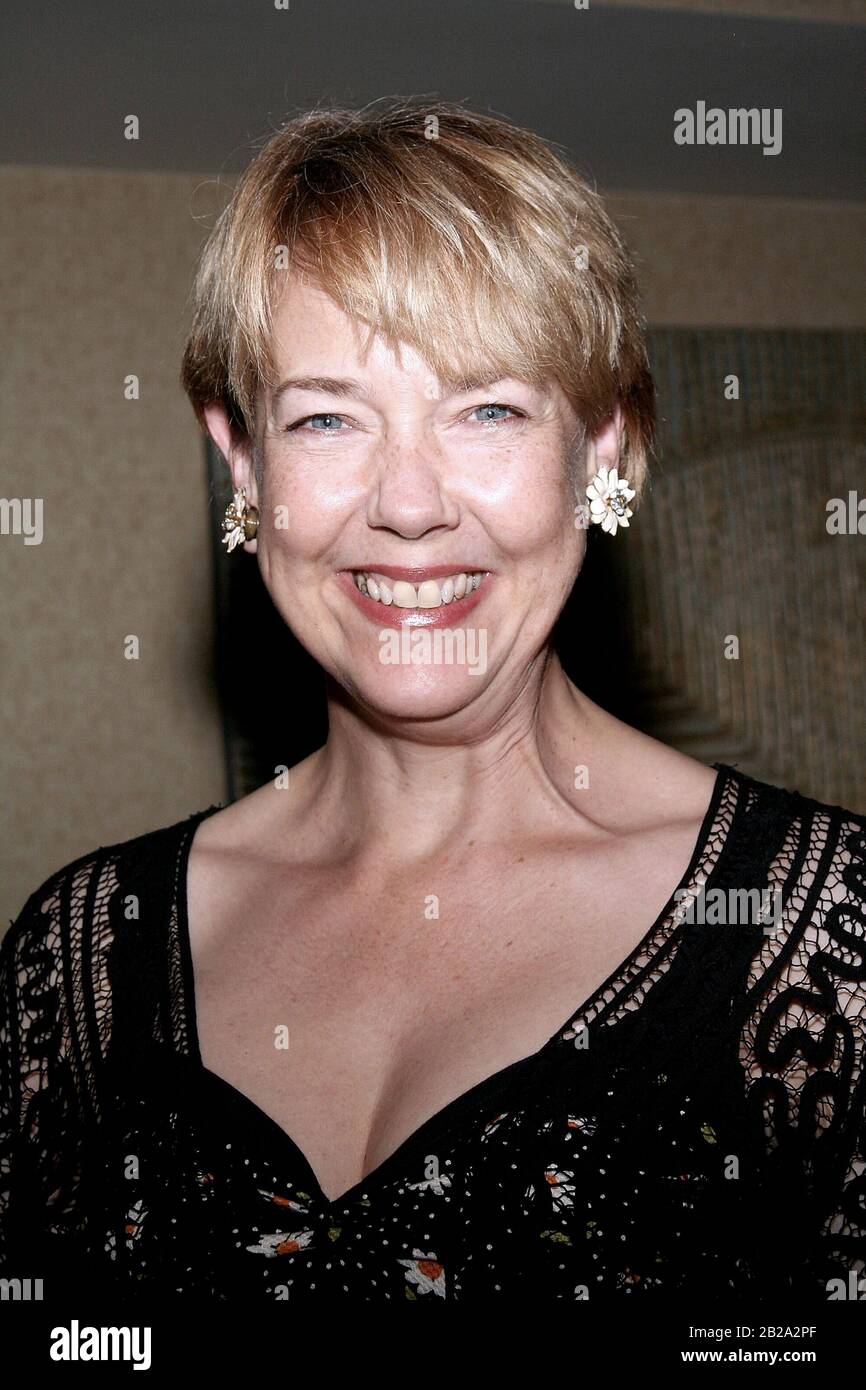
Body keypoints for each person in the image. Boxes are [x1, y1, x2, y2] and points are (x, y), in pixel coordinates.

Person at [1, 98, 864, 1304]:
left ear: (602, 448)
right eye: (326, 417)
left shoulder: (821, 939)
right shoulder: (78, 956)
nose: (407, 504)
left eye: (488, 408)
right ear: (241, 461)